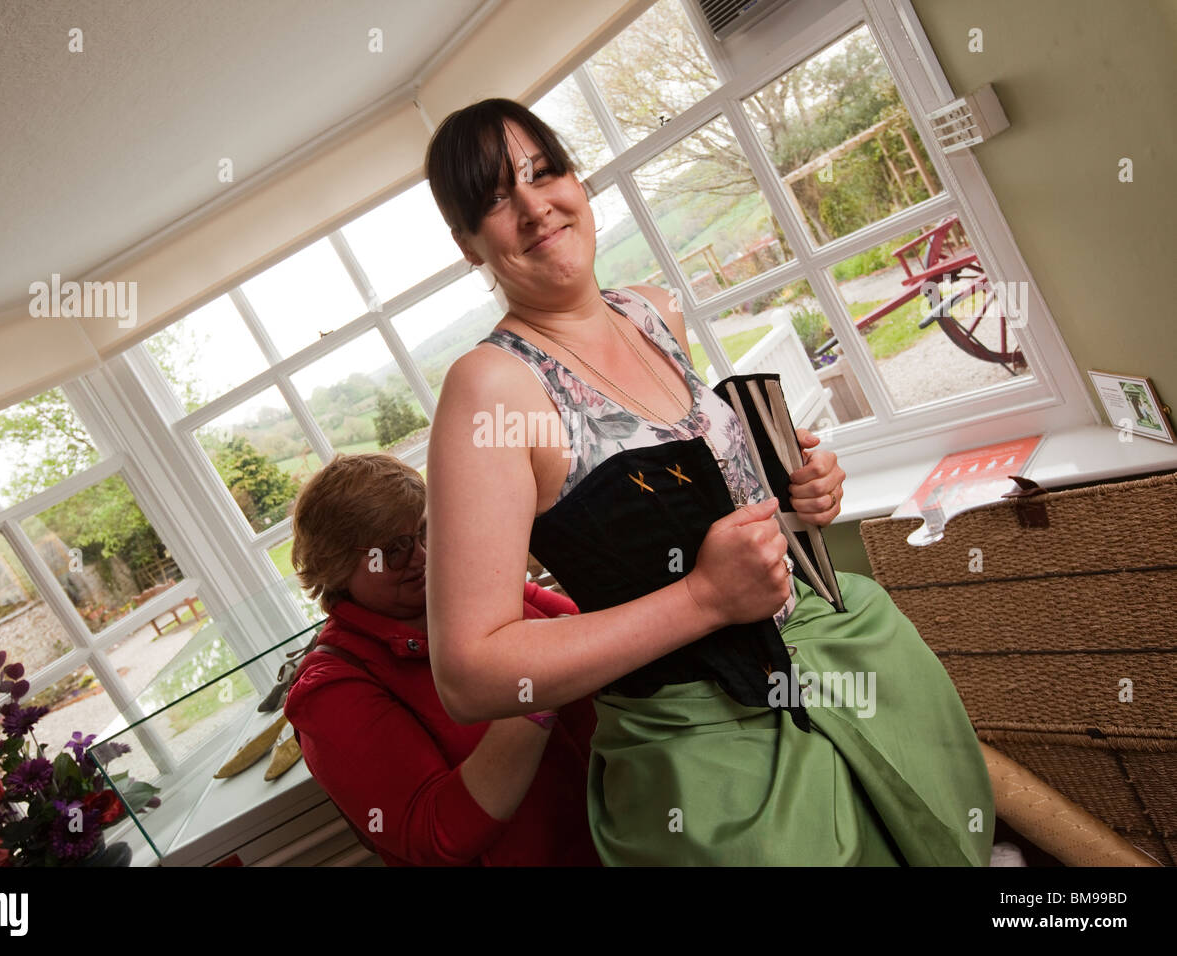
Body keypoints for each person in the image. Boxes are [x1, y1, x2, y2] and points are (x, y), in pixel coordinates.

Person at [422, 98, 995, 865]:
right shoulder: (490, 387)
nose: (533, 206)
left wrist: (798, 491)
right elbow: (471, 673)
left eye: (543, 171)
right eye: (494, 199)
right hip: (711, 757)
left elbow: (705, 497)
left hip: (846, 653)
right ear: (468, 244)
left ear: (577, 181)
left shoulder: (653, 313)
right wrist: (702, 598)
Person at [281, 453, 599, 866]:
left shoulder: (470, 590)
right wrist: (535, 695)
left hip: (622, 841)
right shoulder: (329, 691)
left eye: (426, 531)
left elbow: (587, 632)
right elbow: (435, 835)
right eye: (394, 550)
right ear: (337, 567)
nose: (421, 556)